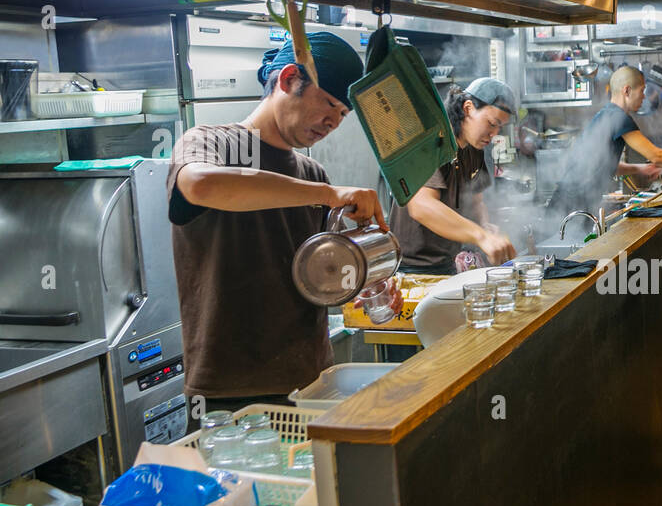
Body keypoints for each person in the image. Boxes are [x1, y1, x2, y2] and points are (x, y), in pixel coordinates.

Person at [168, 31, 385, 416]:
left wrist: (362, 289)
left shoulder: (310, 171)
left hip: (312, 378)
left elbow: (318, 274)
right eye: (329, 104)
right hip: (231, 389)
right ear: (288, 80)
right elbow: (201, 185)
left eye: (342, 115)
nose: (333, 121)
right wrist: (327, 194)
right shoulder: (215, 143)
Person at [388, 78, 517, 274]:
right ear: (468, 108)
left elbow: (476, 201)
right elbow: (421, 206)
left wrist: (485, 226)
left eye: (499, 128)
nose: (494, 134)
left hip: (446, 264)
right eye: (492, 123)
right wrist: (481, 236)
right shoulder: (434, 142)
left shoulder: (474, 149)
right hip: (411, 269)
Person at [551, 65, 662, 217]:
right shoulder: (619, 118)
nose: (644, 96)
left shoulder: (607, 114)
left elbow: (605, 164)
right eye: (642, 90)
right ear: (627, 90)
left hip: (571, 202)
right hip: (571, 206)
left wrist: (639, 169)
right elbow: (656, 156)